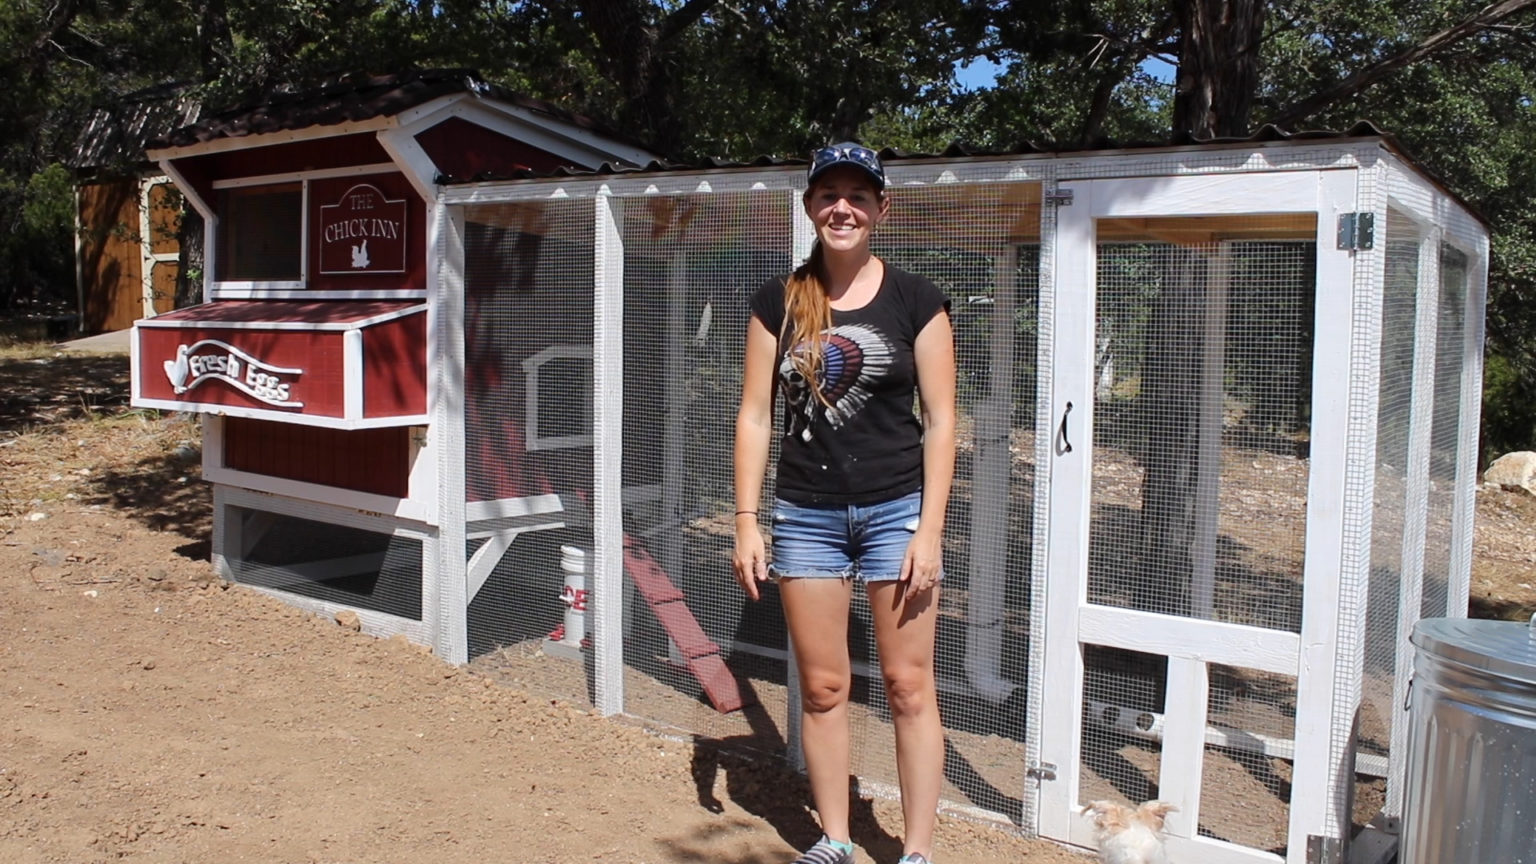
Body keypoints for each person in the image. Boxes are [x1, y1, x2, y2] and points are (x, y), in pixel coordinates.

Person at [732, 142, 957, 864]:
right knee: (825, 687)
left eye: (858, 196)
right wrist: (745, 520)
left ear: (881, 209)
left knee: (907, 685)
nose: (843, 208)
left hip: (897, 510)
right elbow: (754, 416)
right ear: (809, 207)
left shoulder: (917, 301)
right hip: (807, 517)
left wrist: (931, 530)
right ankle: (834, 839)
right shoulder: (779, 301)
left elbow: (944, 420)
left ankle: (915, 851)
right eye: (829, 194)